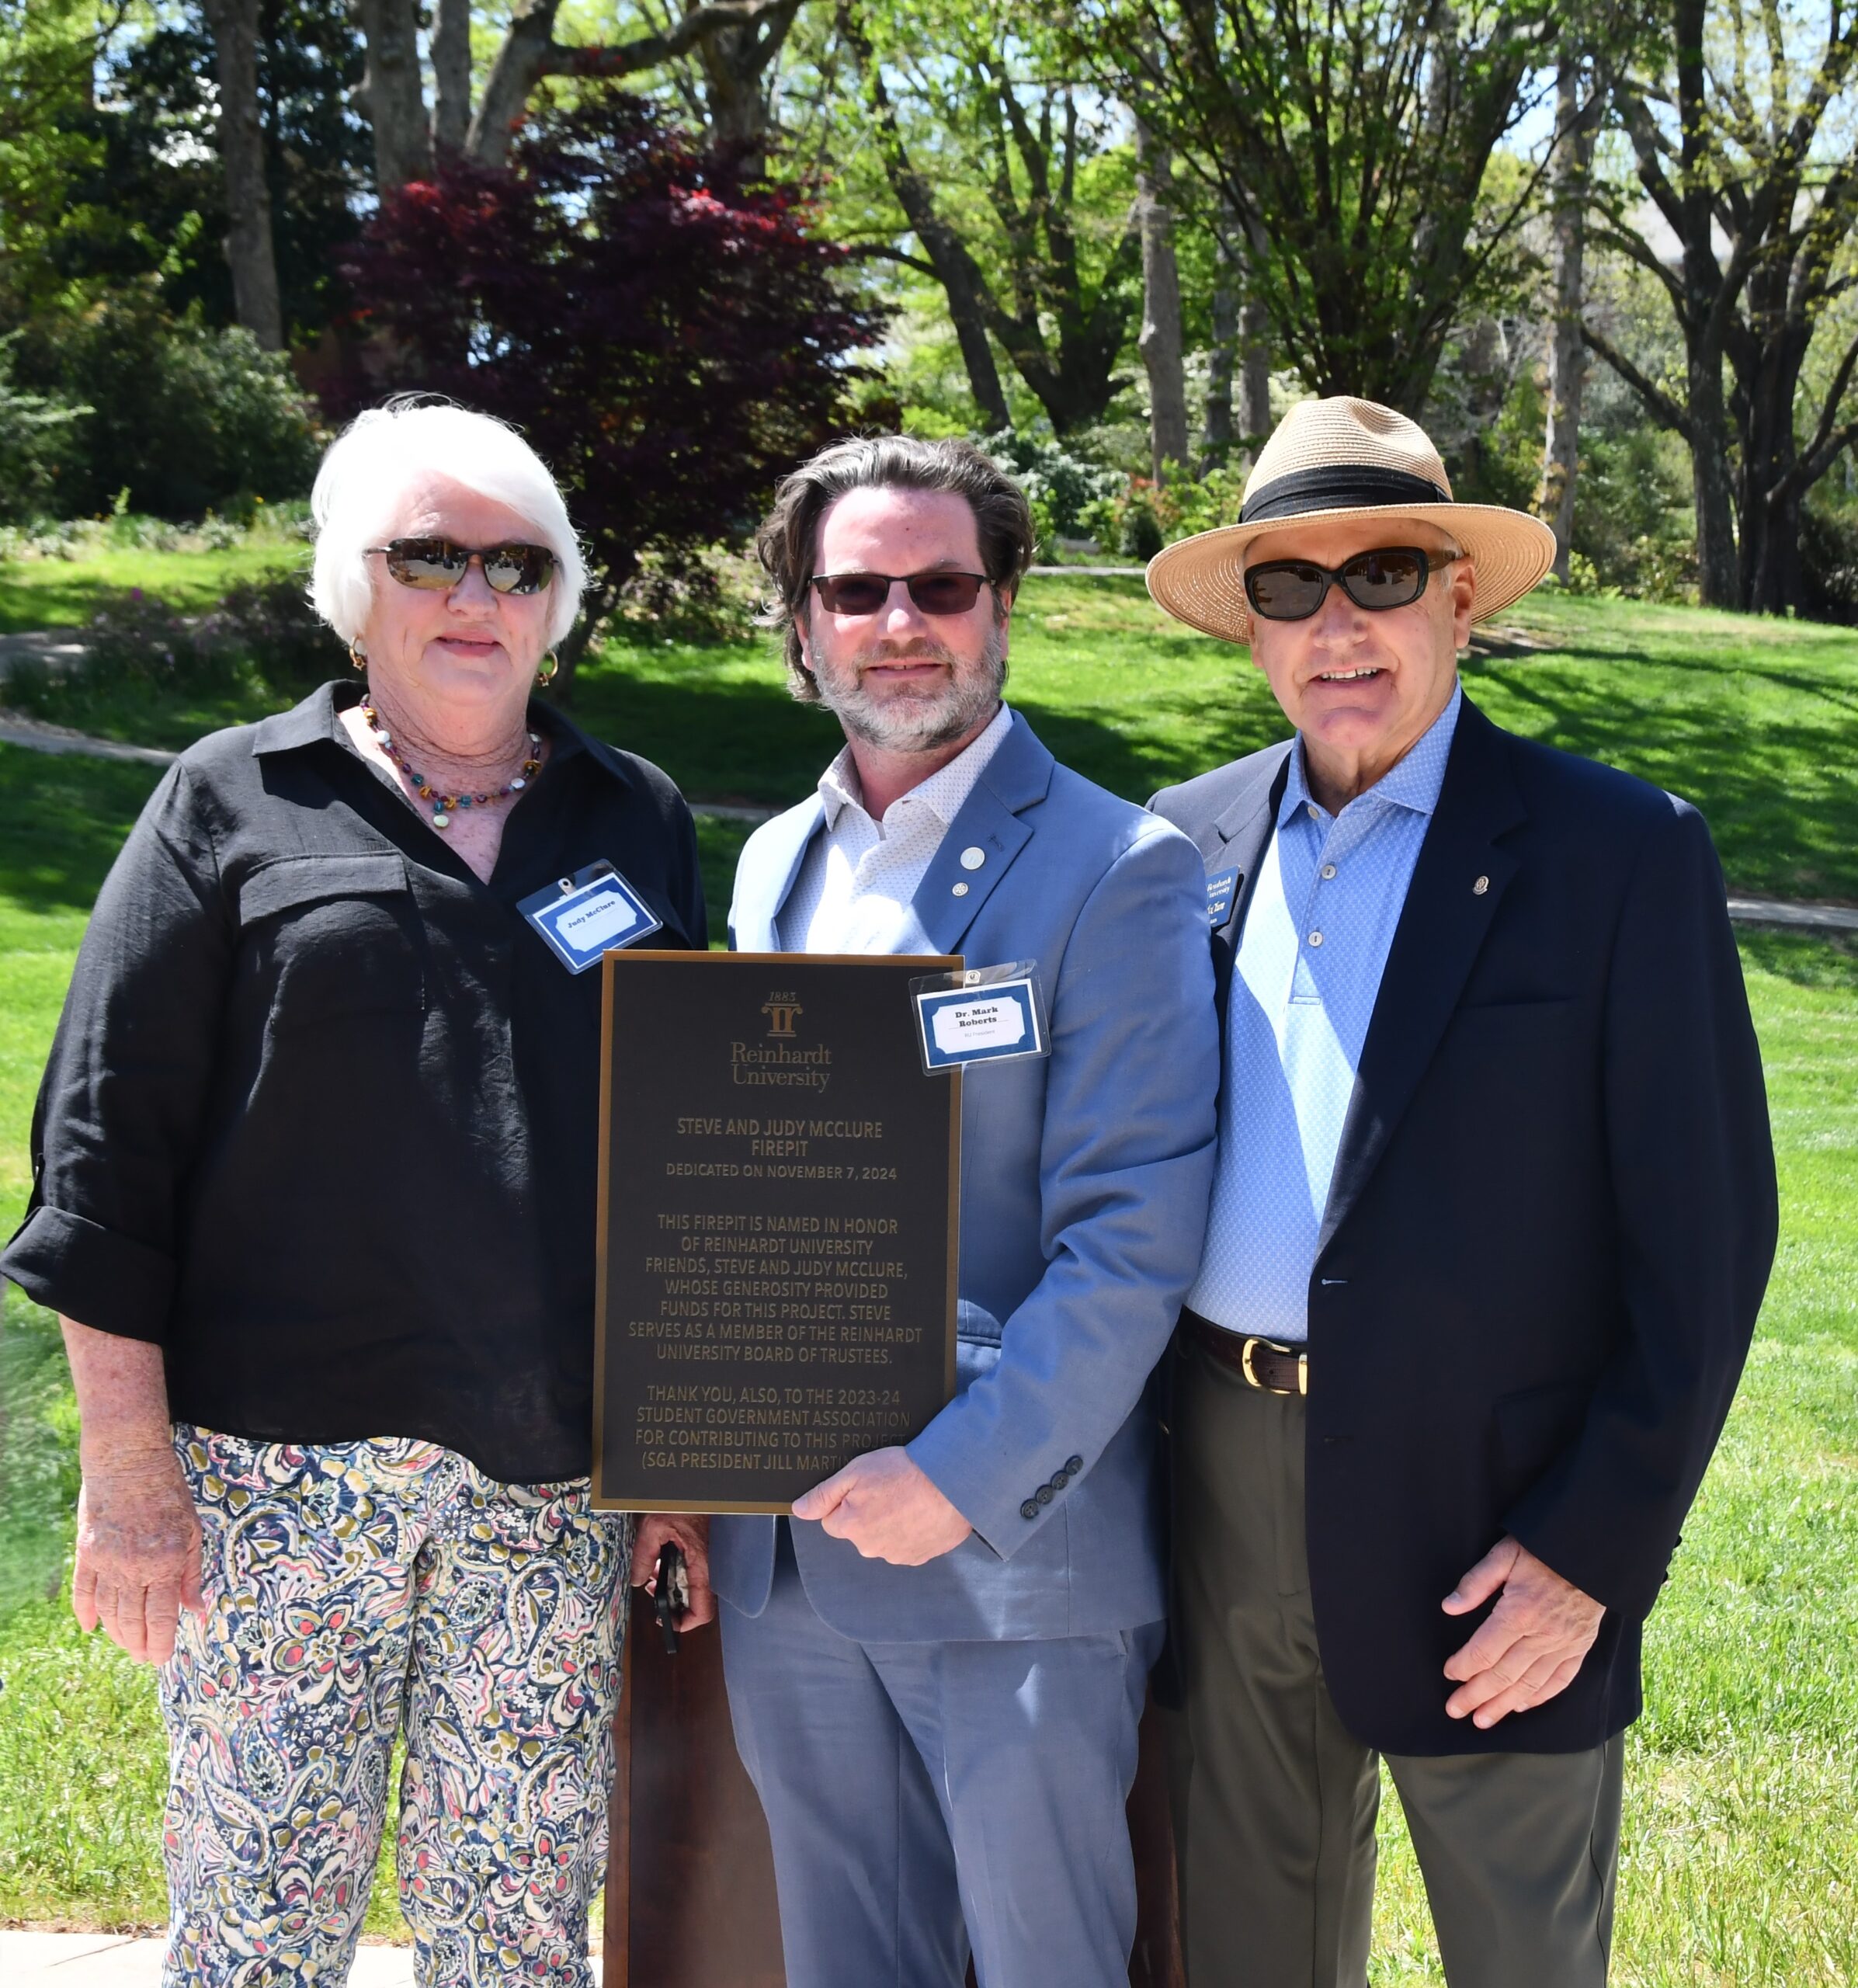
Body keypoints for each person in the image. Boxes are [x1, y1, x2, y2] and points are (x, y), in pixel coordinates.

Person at [0, 398, 708, 1988]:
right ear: (354, 583)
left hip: (549, 1488)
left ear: (562, 594)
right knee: (258, 1925)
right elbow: (106, 1151)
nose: (478, 595)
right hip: (274, 1485)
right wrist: (126, 1475)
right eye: (432, 555)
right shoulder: (230, 798)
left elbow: (694, 1156)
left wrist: (682, 1456)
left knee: (520, 1932)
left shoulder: (636, 813)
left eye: (518, 563)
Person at [1143, 395, 1779, 1987]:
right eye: (1292, 585)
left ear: (1461, 595)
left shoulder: (1618, 852)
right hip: (1221, 1484)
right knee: (1249, 1949)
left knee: (1522, 1957)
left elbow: (1706, 1252)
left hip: (1494, 1509)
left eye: (1385, 571)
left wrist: (1592, 1552)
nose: (1338, 621)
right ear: (1251, 626)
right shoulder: (1182, 841)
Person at [631, 435, 1220, 1988]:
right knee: (850, 1959)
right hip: (785, 1561)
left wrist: (959, 1475)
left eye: (941, 584)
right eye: (858, 588)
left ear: (1004, 602)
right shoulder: (769, 864)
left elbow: (1132, 1237)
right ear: (805, 621)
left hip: (1010, 1557)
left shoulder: (1119, 867)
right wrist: (687, 1456)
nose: (902, 620)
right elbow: (733, 1190)